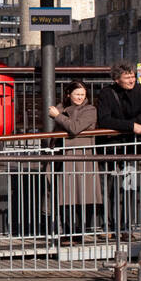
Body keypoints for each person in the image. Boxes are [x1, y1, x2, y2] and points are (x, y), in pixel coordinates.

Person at [96, 62, 141, 234]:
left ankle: (126, 226)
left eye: (132, 76)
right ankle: (108, 225)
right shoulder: (107, 93)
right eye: (127, 77)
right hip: (110, 147)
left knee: (129, 187)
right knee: (108, 188)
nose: (131, 80)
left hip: (130, 147)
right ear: (116, 79)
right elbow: (105, 119)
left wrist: (126, 125)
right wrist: (131, 125)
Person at [47, 80, 101, 236]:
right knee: (64, 194)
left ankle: (79, 231)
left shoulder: (90, 110)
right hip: (63, 156)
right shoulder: (61, 108)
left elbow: (75, 127)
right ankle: (67, 230)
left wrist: (58, 116)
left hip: (81, 156)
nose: (79, 97)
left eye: (82, 94)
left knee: (82, 194)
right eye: (77, 94)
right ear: (68, 94)